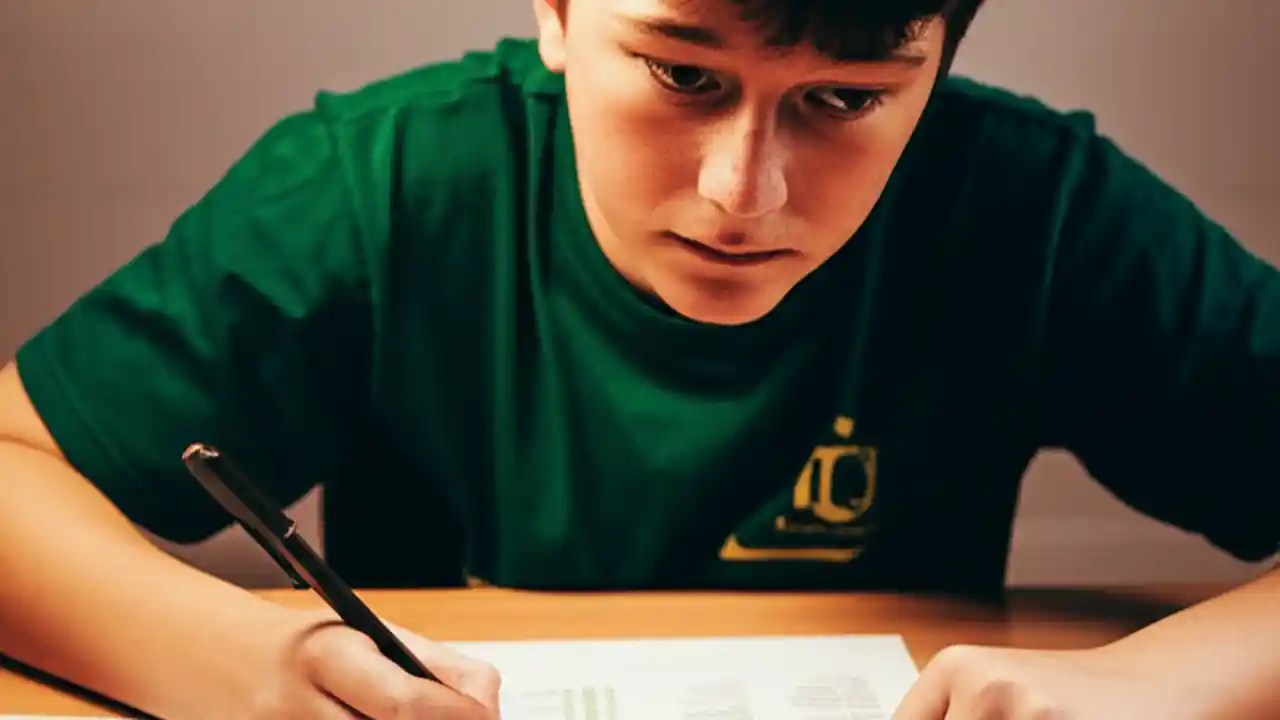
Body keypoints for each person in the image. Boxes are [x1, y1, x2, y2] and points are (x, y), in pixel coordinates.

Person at [1, 0, 1276, 717]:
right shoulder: (382, 185)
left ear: (937, 59)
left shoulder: (1036, 211)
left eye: (844, 99)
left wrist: (1157, 687)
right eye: (680, 73)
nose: (743, 193)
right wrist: (242, 667)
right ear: (557, 11)